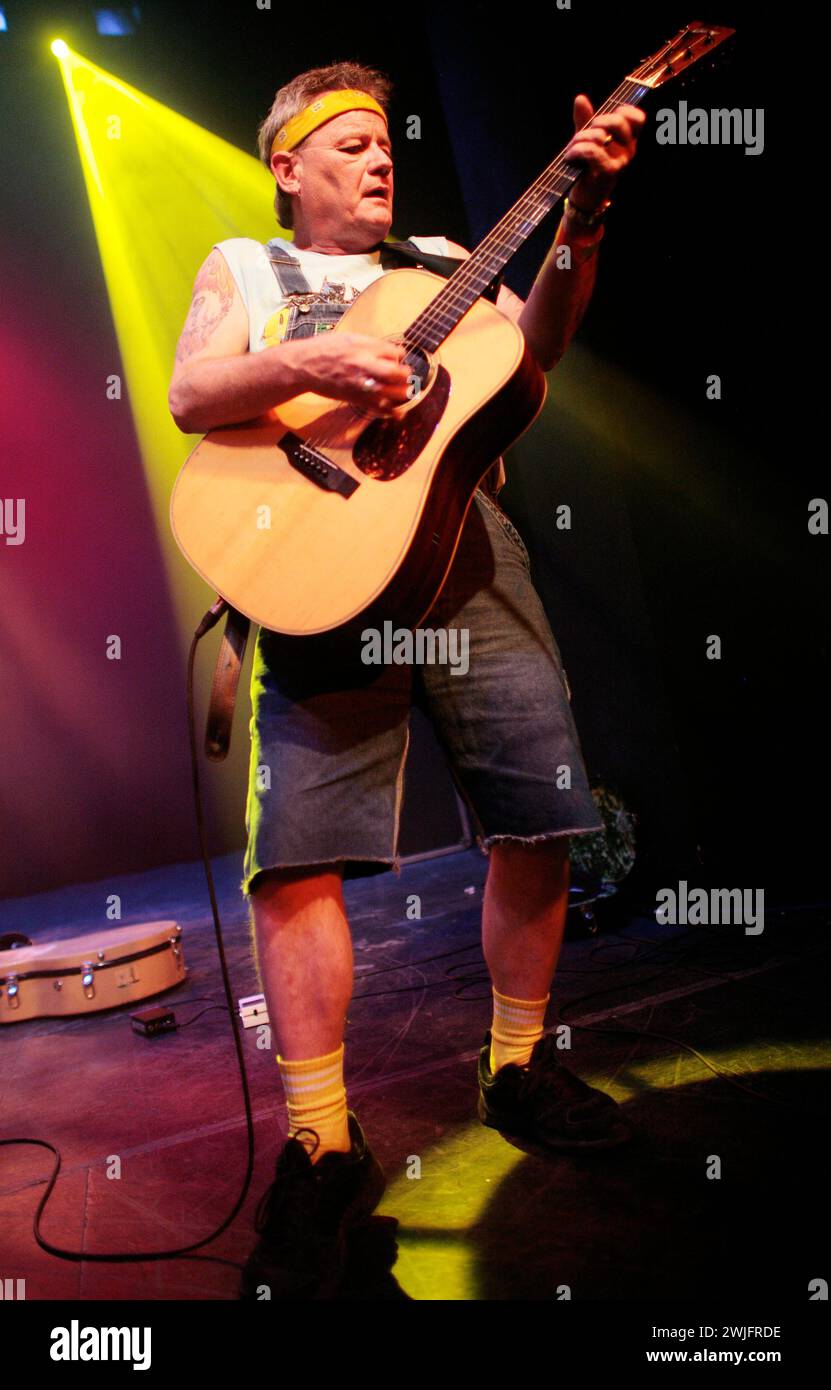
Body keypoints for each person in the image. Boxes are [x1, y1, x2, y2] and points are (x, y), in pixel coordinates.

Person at [168, 60, 645, 1299]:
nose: (382, 159)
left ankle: (518, 1063)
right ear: (288, 166)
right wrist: (307, 372)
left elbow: (536, 353)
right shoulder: (247, 267)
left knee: (543, 816)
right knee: (302, 856)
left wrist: (580, 225)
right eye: (351, 145)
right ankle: (323, 1139)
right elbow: (189, 393)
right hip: (320, 575)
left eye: (387, 142)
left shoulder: (444, 260)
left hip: (466, 556)